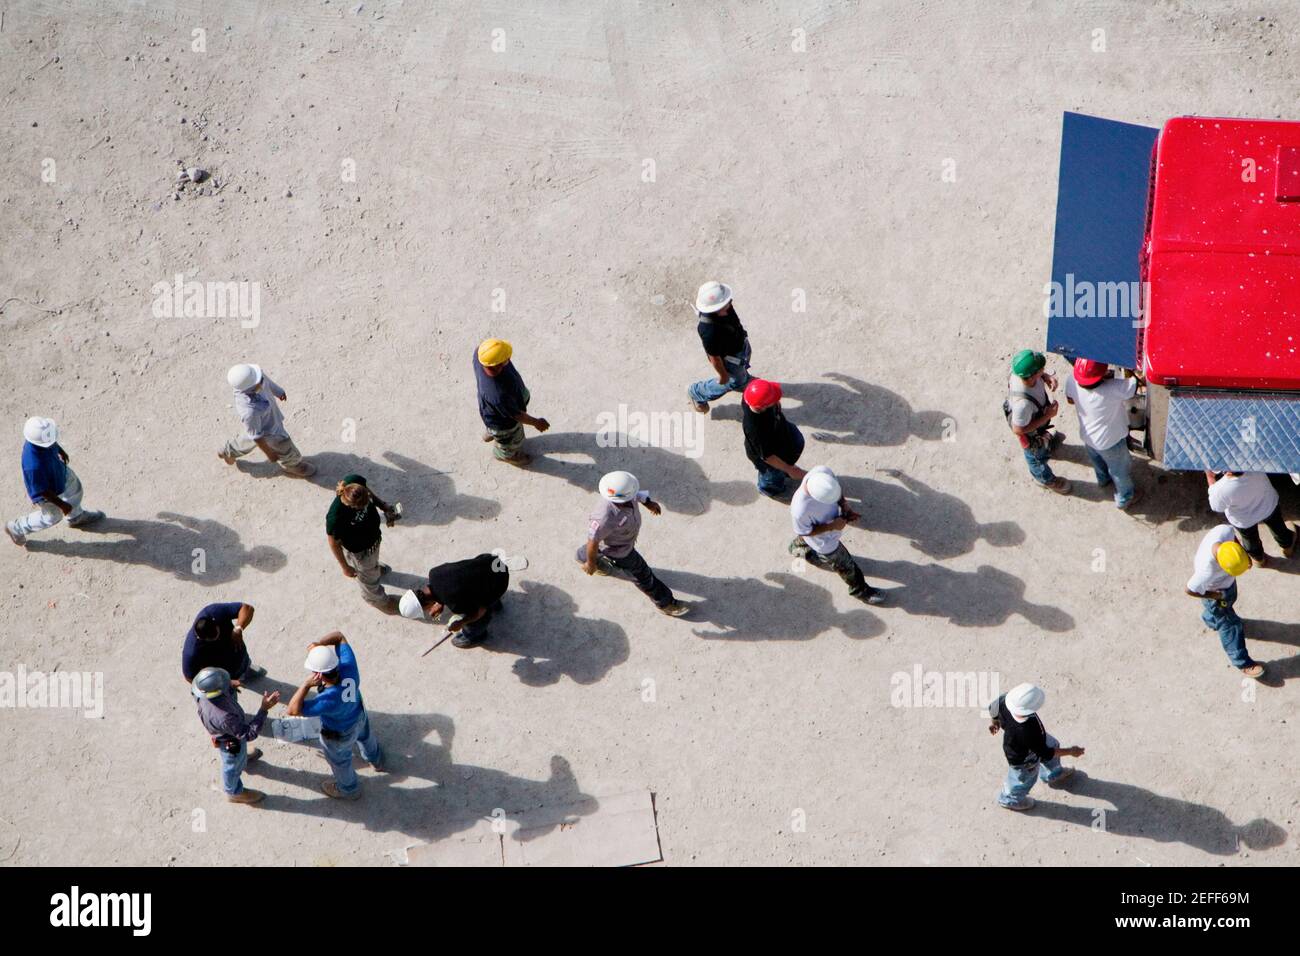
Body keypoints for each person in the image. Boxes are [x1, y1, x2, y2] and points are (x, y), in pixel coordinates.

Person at [575, 471, 689, 617]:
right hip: (620, 549)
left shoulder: (624, 494)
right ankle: (665, 603)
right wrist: (590, 565)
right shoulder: (604, 517)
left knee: (593, 551)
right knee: (642, 574)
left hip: (621, 539)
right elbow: (593, 541)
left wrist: (648, 503)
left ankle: (582, 556)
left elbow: (636, 494)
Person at [286, 632, 383, 800]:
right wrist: (319, 645)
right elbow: (339, 636)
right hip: (359, 715)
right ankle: (376, 759)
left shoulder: (327, 699)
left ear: (319, 675)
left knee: (341, 762)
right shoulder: (349, 667)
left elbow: (292, 710)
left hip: (340, 733)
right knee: (366, 737)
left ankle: (349, 789)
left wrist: (306, 685)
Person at [788, 466, 885, 605]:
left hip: (832, 526)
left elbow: (836, 492)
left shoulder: (822, 472)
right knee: (846, 565)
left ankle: (797, 548)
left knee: (804, 543)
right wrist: (831, 526)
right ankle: (861, 591)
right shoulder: (800, 510)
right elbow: (805, 532)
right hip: (824, 541)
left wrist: (844, 505)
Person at [986, 682, 1084, 812]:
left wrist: (995, 723)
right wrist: (1071, 751)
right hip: (1022, 757)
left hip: (1033, 743)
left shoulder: (1005, 700)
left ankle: (1052, 773)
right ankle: (1010, 799)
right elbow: (1046, 753)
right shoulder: (1028, 730)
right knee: (1025, 779)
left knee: (1053, 744)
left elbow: (993, 710)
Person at [6, 417, 104, 546]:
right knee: (52, 517)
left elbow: (50, 441)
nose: (52, 441)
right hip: (47, 493)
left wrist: (60, 450)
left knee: (74, 489)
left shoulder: (40, 439)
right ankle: (16, 528)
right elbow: (43, 491)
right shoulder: (33, 465)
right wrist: (62, 505)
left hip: (58, 472)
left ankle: (76, 517)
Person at [192, 666, 280, 805]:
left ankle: (242, 758)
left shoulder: (199, 692)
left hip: (222, 730)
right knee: (232, 765)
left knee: (240, 755)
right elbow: (248, 734)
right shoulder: (225, 717)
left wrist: (229, 685)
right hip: (230, 740)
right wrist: (264, 709)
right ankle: (233, 792)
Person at [1186, 525, 1265, 679]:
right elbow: (1190, 589)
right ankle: (1243, 662)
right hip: (1217, 595)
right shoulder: (1205, 571)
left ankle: (1211, 620)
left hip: (1226, 587)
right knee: (1230, 625)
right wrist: (1216, 596)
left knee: (1219, 613)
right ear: (1221, 565)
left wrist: (1244, 555)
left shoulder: (1223, 531)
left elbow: (1233, 537)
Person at [1064, 358, 1139, 509]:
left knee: (1098, 461)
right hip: (1111, 441)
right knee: (1119, 471)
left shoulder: (1071, 380)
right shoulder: (1113, 389)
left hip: (1088, 436)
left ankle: (1103, 479)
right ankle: (1125, 497)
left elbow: (1070, 400)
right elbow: (1136, 383)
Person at [217, 363, 316, 477]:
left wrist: (278, 391)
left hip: (265, 419)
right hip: (271, 431)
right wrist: (269, 454)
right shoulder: (248, 411)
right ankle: (294, 465)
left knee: (249, 435)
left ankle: (229, 451)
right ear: (249, 388)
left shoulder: (255, 378)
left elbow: (266, 381)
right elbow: (257, 438)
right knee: (285, 446)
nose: (261, 379)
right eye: (259, 380)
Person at [399, 553, 512, 647]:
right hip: (491, 562)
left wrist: (462, 623)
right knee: (475, 590)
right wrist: (440, 602)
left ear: (426, 604)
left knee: (476, 617)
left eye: (425, 610)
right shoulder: (434, 573)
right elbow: (452, 582)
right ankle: (494, 602)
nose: (427, 611)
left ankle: (476, 636)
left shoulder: (455, 604)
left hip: (500, 581)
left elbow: (480, 611)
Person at [326, 474, 401, 611]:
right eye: (362, 506)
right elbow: (333, 543)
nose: (367, 504)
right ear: (349, 504)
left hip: (374, 540)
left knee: (371, 566)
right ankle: (378, 601)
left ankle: (373, 569)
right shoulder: (336, 516)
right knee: (368, 580)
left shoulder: (355, 483)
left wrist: (384, 506)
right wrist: (345, 567)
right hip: (360, 551)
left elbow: (368, 493)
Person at [474, 338, 549, 466]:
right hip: (504, 423)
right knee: (511, 440)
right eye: (505, 359)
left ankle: (492, 432)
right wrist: (536, 422)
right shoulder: (498, 395)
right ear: (496, 366)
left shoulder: (480, 354)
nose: (508, 359)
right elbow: (517, 415)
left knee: (494, 422)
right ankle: (506, 455)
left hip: (492, 410)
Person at [1006, 350, 1070, 495]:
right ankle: (1045, 479)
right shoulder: (1022, 405)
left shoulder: (1017, 371)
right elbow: (1018, 429)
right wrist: (1048, 415)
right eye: (1041, 369)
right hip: (1031, 433)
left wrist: (1046, 377)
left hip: (1035, 418)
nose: (1043, 370)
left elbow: (1036, 374)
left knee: (1043, 446)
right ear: (1031, 376)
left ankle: (1046, 445)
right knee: (1036, 459)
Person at [1205, 470, 1296, 568]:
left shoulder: (1220, 489)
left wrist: (1210, 478)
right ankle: (1287, 547)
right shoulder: (1257, 467)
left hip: (1244, 520)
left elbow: (1216, 507)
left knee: (1250, 540)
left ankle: (1258, 559)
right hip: (1268, 506)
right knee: (1278, 527)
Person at [688, 281, 752, 412]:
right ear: (714, 309)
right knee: (732, 381)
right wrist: (723, 376)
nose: (729, 304)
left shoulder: (725, 307)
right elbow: (714, 358)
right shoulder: (708, 331)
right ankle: (697, 392)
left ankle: (743, 379)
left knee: (740, 373)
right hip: (731, 359)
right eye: (724, 304)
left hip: (740, 348)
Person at [741, 379, 805, 498]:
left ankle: (783, 470)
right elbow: (768, 456)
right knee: (772, 476)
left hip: (779, 436)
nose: (777, 400)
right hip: (769, 458)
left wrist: (775, 404)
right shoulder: (755, 429)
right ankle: (769, 489)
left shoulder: (750, 395)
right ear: (762, 407)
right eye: (773, 400)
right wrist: (789, 469)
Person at [181, 601, 267, 685]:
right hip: (226, 674)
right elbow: (190, 677)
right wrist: (224, 683)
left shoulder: (213, 612)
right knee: (237, 681)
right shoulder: (191, 652)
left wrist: (238, 629)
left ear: (214, 622)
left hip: (240, 653)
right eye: (213, 638)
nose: (218, 637)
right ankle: (241, 677)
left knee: (245, 664)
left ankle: (247, 670)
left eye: (217, 633)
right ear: (202, 638)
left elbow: (247, 608)